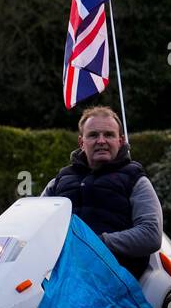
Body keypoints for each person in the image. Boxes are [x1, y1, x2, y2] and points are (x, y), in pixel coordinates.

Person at [41, 105, 162, 279]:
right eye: (93, 135)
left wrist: (96, 242)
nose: (101, 141)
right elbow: (37, 223)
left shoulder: (135, 179)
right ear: (81, 142)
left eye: (109, 134)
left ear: (120, 141)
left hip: (115, 282)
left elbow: (151, 234)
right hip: (63, 278)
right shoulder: (60, 180)